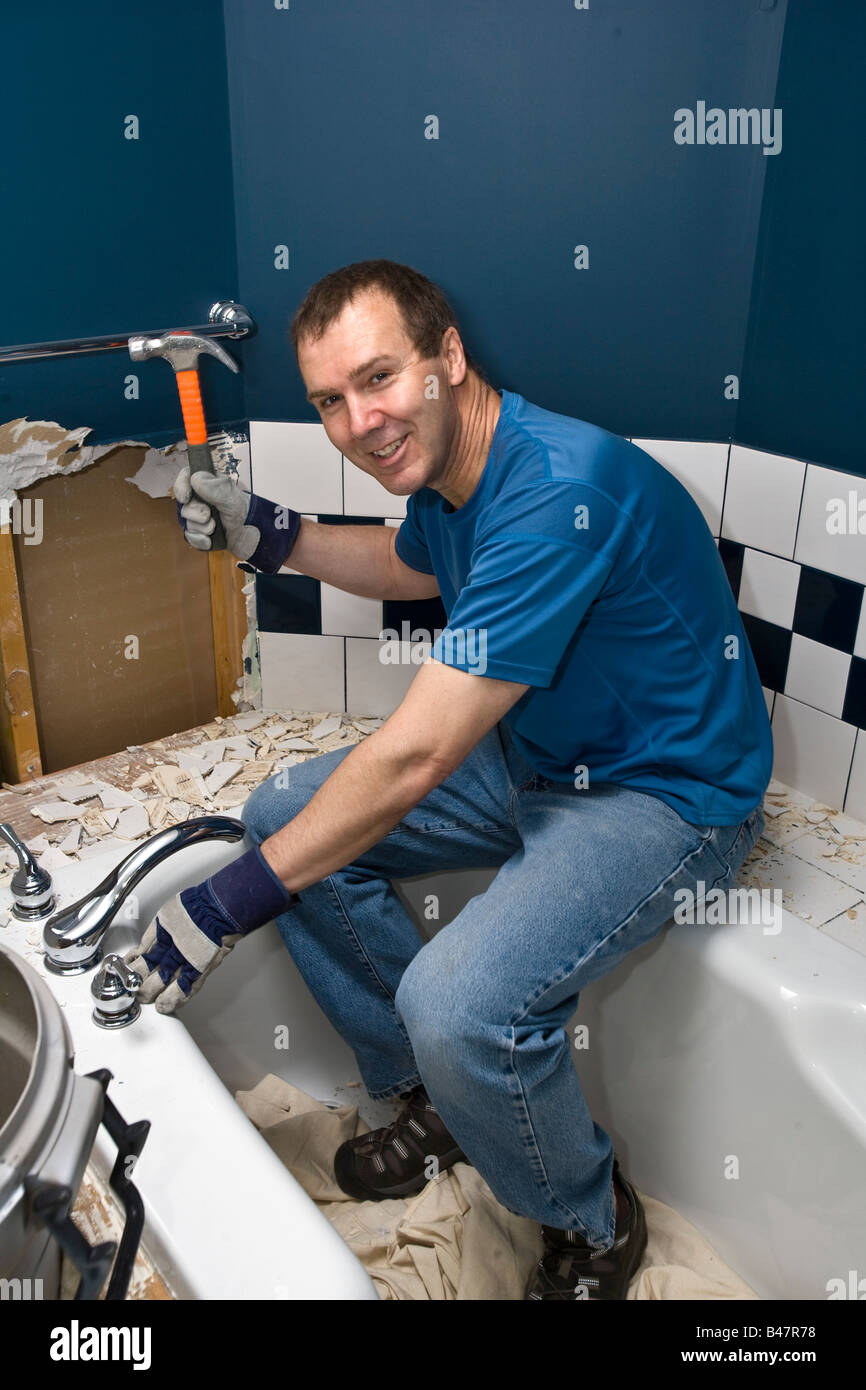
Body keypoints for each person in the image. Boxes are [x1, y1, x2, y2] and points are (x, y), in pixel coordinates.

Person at [126, 258, 771, 1300]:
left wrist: (223, 905)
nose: (359, 421)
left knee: (458, 998)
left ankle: (591, 1218)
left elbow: (419, 753)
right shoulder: (452, 473)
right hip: (538, 759)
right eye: (330, 401)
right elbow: (410, 565)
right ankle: (432, 1101)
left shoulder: (556, 487)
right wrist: (270, 535)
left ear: (448, 359)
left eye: (379, 379)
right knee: (280, 816)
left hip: (662, 794)